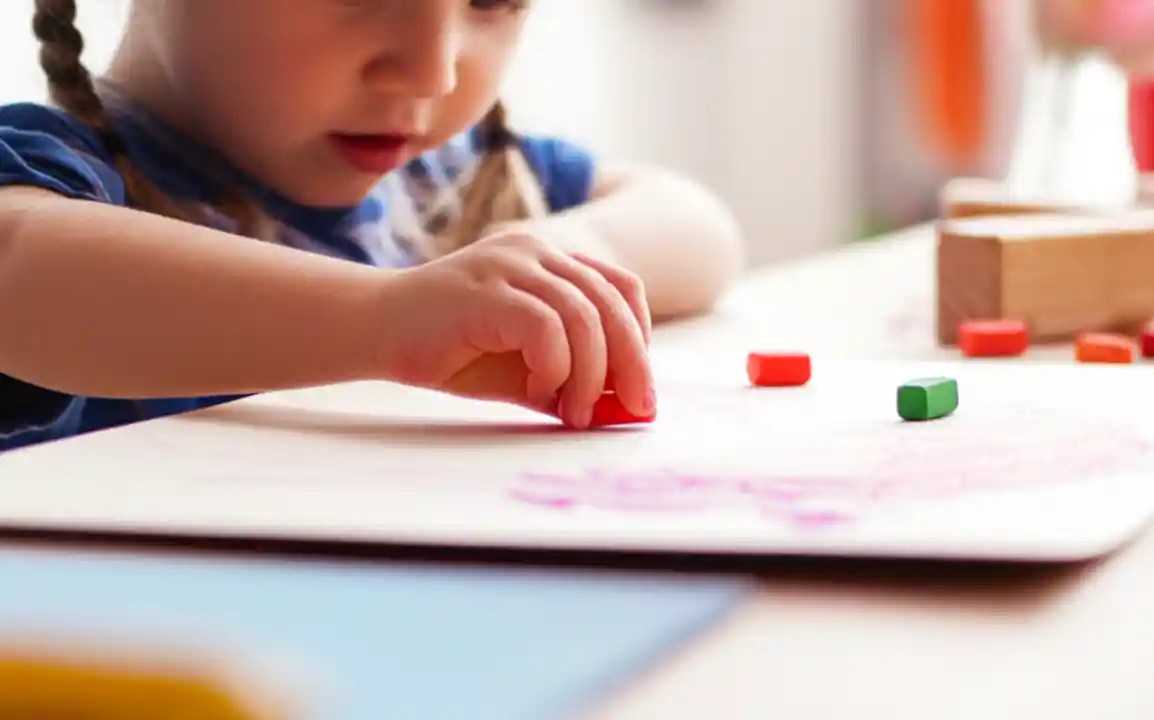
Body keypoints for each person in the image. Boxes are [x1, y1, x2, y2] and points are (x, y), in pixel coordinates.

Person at [0, 0, 745, 450]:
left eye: (491, 0)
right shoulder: (57, 171)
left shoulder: (457, 183)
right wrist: (386, 319)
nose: (432, 72)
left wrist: (551, 264)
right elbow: (19, 266)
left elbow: (697, 225)